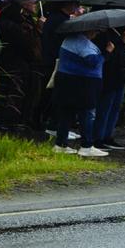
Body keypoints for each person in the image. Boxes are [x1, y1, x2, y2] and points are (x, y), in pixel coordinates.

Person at [52, 26, 108, 159]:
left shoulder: (68, 40)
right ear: (86, 29)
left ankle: (60, 144)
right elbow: (93, 62)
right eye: (95, 30)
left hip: (65, 80)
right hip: (84, 83)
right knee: (87, 114)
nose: (96, 33)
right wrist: (107, 52)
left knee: (66, 112)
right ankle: (86, 146)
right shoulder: (83, 43)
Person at [0, 0, 44, 131]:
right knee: (15, 94)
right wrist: (38, 30)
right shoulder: (20, 26)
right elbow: (27, 46)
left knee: (4, 92)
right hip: (18, 64)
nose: (35, 4)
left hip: (5, 62)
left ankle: (5, 121)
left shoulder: (2, 22)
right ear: (23, 5)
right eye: (32, 2)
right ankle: (12, 123)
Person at [92, 24, 125, 151]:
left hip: (119, 76)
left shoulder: (118, 36)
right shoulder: (104, 34)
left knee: (114, 107)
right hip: (108, 76)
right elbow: (107, 55)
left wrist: (122, 41)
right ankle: (98, 137)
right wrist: (119, 41)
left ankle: (107, 135)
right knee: (104, 108)